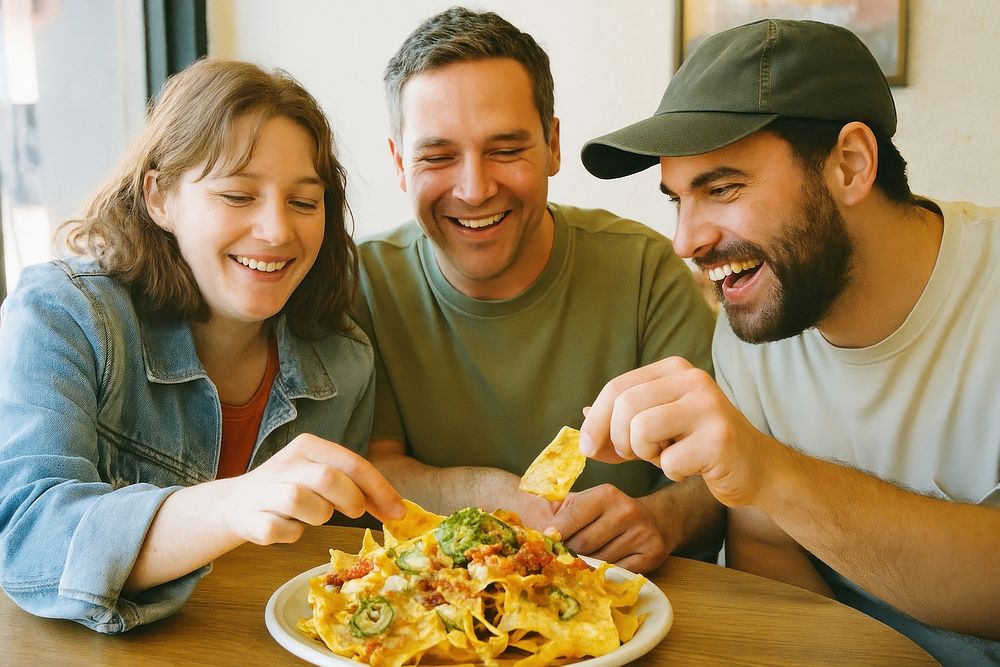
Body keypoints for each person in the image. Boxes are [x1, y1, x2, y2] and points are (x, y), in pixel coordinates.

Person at [578, 18, 1000, 664]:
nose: (686, 241)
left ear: (851, 165)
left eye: (723, 188)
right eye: (677, 200)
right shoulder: (755, 316)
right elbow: (771, 556)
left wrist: (766, 470)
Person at [0, 59, 404, 633]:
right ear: (160, 197)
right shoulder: (64, 313)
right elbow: (25, 539)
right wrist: (231, 505)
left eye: (303, 202)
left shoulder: (345, 361)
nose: (277, 231)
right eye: (237, 195)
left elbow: (331, 576)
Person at [353, 6, 722, 573]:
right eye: (438, 156)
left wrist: (662, 519)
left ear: (552, 145)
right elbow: (374, 468)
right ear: (401, 163)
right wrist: (491, 495)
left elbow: (717, 474)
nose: (474, 189)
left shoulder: (647, 270)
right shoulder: (362, 282)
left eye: (505, 150)